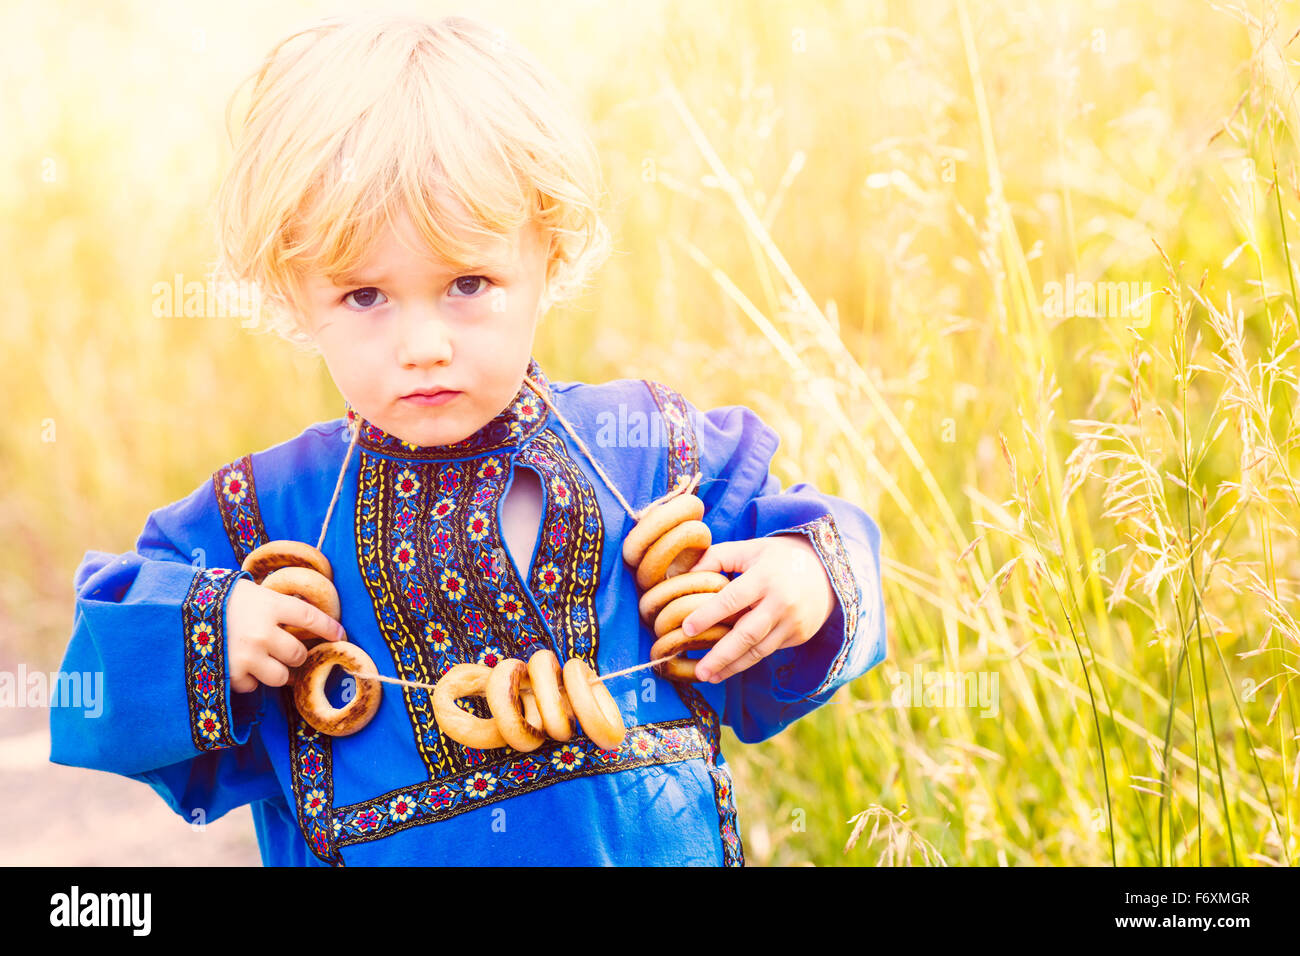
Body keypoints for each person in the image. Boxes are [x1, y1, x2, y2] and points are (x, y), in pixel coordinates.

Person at [48, 12, 887, 866]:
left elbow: (822, 555)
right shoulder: (270, 518)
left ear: (550, 257)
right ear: (296, 296)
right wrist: (216, 636)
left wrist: (809, 577)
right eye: (366, 297)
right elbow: (91, 691)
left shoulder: (645, 457)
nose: (423, 345)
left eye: (468, 282)